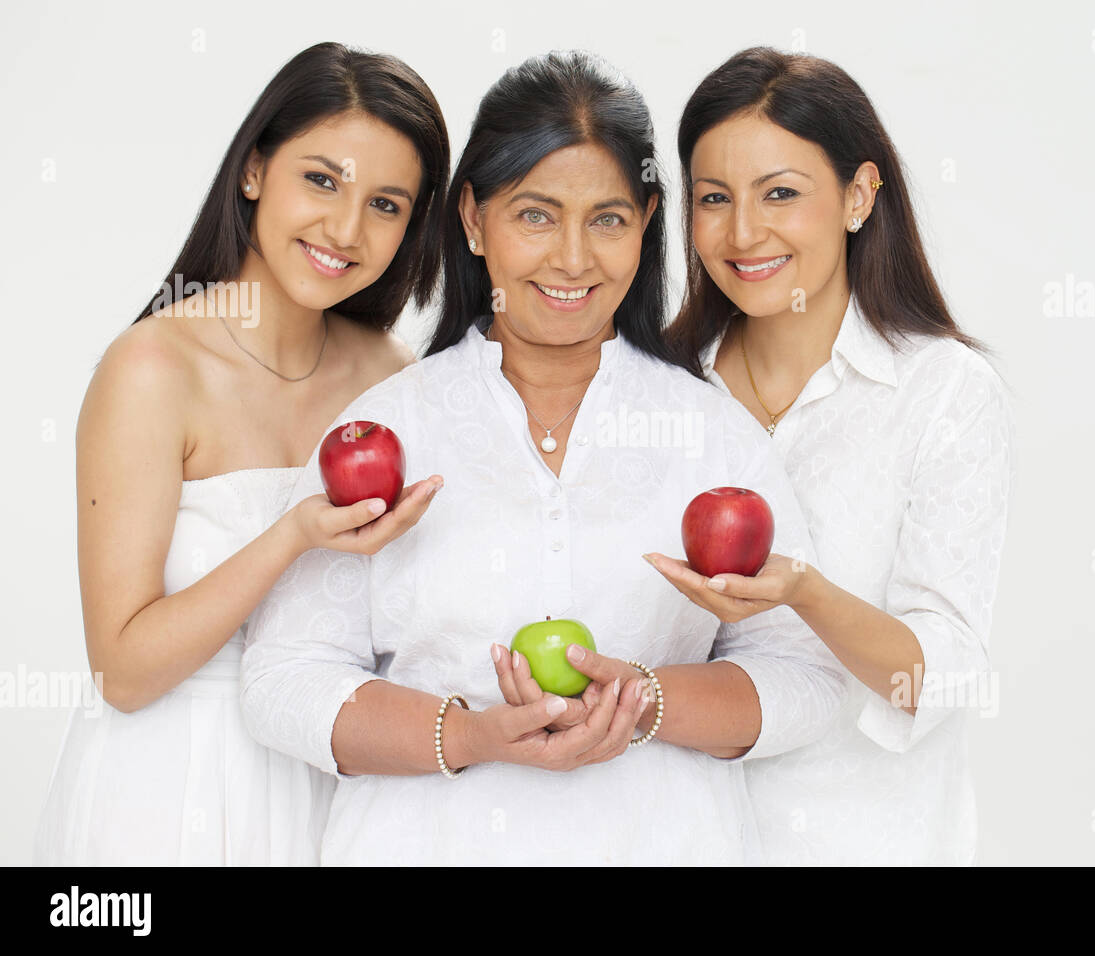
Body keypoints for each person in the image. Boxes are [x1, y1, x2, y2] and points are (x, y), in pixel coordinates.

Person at [239, 50, 846, 866]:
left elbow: (808, 680)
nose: (572, 258)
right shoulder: (387, 428)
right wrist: (475, 735)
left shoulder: (711, 434)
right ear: (472, 219)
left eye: (608, 219)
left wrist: (646, 703)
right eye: (534, 214)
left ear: (647, 220)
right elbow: (281, 680)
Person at [34, 42, 449, 865]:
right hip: (166, 784)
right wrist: (291, 535)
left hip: (332, 779)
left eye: (386, 204)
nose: (344, 228)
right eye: (321, 180)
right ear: (255, 170)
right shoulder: (152, 369)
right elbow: (122, 670)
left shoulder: (391, 375)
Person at [653, 46, 1017, 865]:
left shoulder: (943, 393)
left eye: (781, 193)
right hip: (670, 833)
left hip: (866, 841)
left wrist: (805, 593)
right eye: (715, 199)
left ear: (858, 196)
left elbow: (942, 677)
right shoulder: (658, 391)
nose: (744, 233)